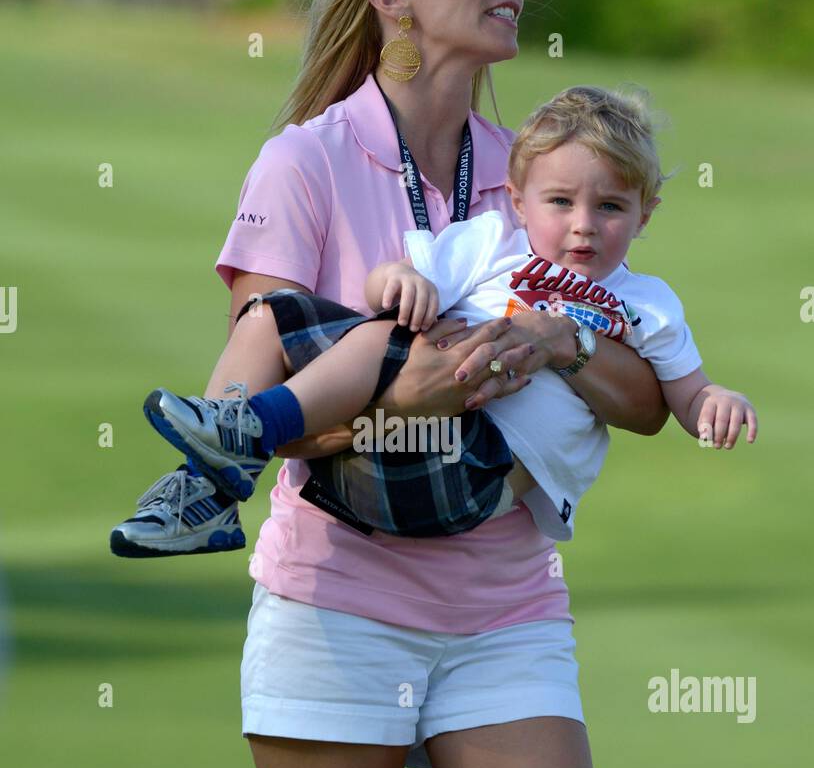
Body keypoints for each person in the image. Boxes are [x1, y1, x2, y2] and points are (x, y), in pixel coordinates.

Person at [112, 0, 673, 768]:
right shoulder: (307, 160)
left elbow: (646, 402)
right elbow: (245, 420)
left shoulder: (540, 169)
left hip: (503, 608)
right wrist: (394, 401)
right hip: (338, 607)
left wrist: (564, 342)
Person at [137, 84, 757, 544]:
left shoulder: (648, 304)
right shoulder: (491, 244)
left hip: (478, 469)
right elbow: (389, 282)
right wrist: (400, 279)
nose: (583, 226)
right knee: (274, 317)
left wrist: (716, 404)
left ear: (645, 213)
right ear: (518, 200)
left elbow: (682, 396)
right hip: (384, 453)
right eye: (560, 201)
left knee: (386, 343)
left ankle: (246, 430)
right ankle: (207, 486)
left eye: (612, 208)